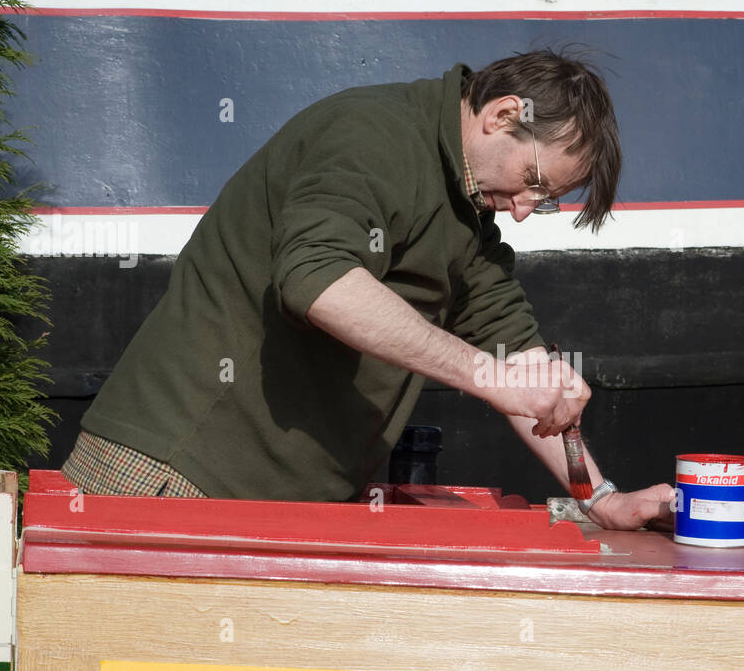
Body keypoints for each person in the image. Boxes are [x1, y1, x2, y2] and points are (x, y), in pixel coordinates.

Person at [62, 50, 673, 530]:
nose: (520, 210)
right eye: (532, 181)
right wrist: (489, 378)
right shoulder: (373, 135)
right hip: (170, 475)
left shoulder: (470, 208)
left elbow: (518, 357)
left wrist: (599, 497)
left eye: (542, 202)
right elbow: (319, 282)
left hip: (287, 504)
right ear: (503, 116)